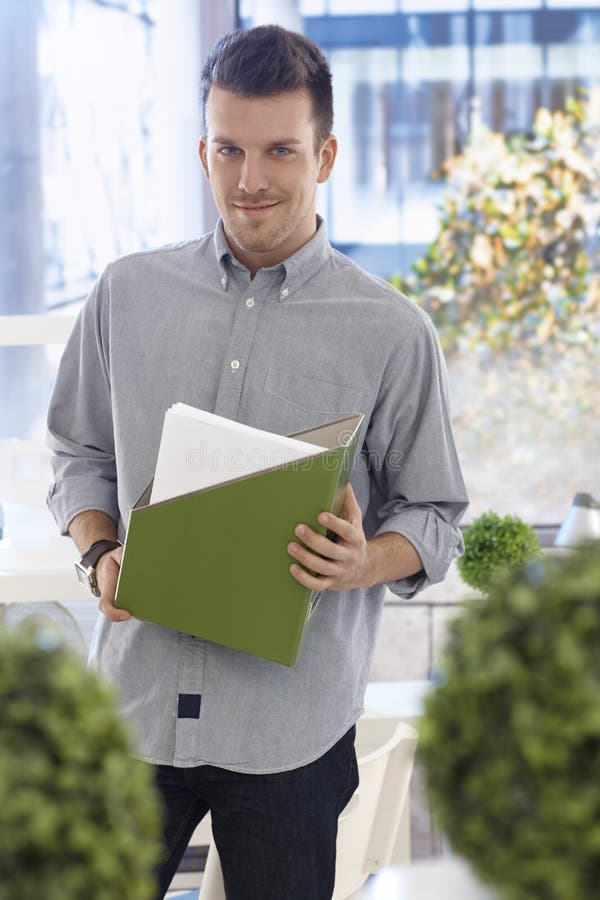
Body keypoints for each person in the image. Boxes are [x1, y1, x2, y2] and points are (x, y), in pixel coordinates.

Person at [46, 24, 468, 900]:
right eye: (229, 148)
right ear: (204, 149)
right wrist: (97, 551)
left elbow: (433, 516)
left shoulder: (392, 332)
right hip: (133, 711)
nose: (251, 179)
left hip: (288, 735)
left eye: (280, 149)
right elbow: (79, 451)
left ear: (326, 153)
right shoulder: (126, 294)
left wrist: (364, 563)